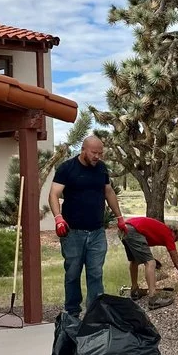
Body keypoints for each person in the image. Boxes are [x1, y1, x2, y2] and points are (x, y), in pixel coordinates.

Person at [48, 135, 125, 316]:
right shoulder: (67, 168)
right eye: (94, 152)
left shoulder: (101, 169)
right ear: (83, 150)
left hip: (97, 231)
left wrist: (120, 217)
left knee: (96, 273)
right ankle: (73, 312)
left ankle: (95, 313)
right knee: (73, 273)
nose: (97, 156)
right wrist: (58, 217)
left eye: (100, 153)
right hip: (73, 232)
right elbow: (53, 194)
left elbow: (108, 191)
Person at [121, 216, 178, 309]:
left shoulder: (160, 229)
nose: (173, 243)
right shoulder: (168, 234)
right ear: (174, 233)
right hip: (134, 230)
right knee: (150, 263)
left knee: (134, 260)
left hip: (124, 228)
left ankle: (135, 290)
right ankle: (153, 298)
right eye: (175, 240)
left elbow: (140, 250)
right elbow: (177, 262)